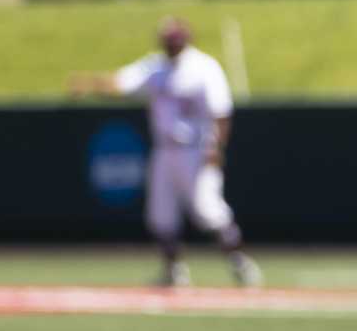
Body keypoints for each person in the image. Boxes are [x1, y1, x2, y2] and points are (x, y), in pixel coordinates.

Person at [67, 18, 260, 288]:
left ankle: (239, 262)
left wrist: (216, 147)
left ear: (185, 40)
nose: (171, 44)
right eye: (167, 40)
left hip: (197, 150)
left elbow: (222, 112)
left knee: (208, 210)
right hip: (165, 151)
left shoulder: (204, 67)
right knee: (161, 215)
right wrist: (88, 84)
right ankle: (174, 271)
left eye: (175, 39)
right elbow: (121, 83)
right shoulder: (155, 68)